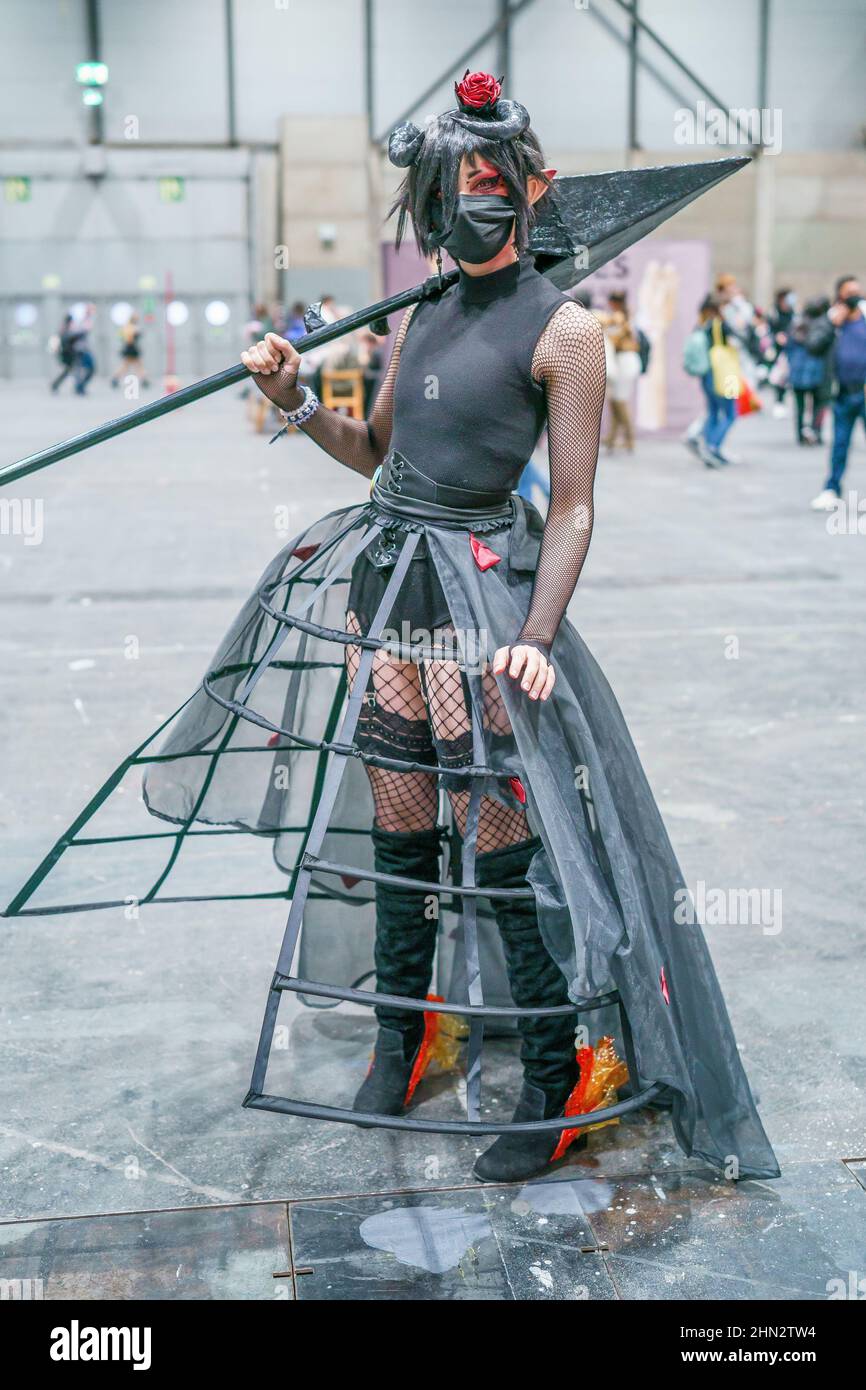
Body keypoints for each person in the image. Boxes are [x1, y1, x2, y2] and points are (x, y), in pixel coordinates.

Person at [809, 276, 866, 510]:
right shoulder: (831, 321)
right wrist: (832, 324)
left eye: (857, 290)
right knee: (840, 443)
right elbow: (813, 346)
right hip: (842, 393)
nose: (854, 294)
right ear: (840, 294)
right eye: (849, 291)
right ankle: (831, 488)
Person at [598, 291, 642, 451]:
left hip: (626, 360)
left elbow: (610, 329)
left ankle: (630, 439)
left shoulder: (619, 317)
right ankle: (612, 438)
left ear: (614, 303)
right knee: (615, 400)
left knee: (619, 400)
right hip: (623, 360)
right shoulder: (625, 315)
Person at [698, 294, 739, 467]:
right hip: (727, 374)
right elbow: (740, 341)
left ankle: (709, 445)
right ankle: (713, 446)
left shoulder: (701, 326)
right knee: (731, 413)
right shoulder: (722, 326)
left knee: (714, 412)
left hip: (708, 375)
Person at [786, 296, 832, 445]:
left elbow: (788, 347)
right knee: (819, 403)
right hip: (816, 371)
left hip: (798, 370)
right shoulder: (822, 326)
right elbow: (816, 346)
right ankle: (815, 431)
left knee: (800, 406)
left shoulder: (796, 324)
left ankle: (801, 433)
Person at [767, 287, 796, 417]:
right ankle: (778, 402)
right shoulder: (774, 313)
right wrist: (776, 337)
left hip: (789, 348)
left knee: (785, 377)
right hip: (777, 350)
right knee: (779, 377)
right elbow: (768, 330)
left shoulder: (792, 312)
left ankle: (781, 402)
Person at [111, 312, 148, 390]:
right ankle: (144, 380)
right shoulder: (131, 327)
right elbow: (129, 339)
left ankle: (115, 378)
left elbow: (122, 336)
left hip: (129, 348)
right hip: (131, 348)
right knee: (134, 365)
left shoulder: (126, 327)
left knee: (127, 366)